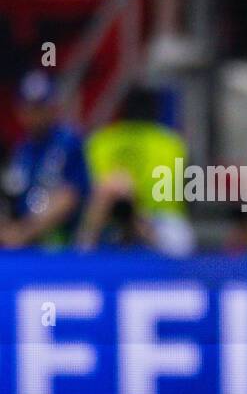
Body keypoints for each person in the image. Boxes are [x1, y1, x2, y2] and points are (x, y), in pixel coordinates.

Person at [78, 87, 195, 256]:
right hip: (164, 224)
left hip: (109, 223)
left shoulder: (99, 141)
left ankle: (83, 254)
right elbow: (190, 192)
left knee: (113, 186)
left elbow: (85, 188)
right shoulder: (173, 143)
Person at [0, 71, 89, 249]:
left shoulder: (69, 142)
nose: (33, 114)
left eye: (40, 107)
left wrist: (24, 233)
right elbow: (12, 193)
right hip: (22, 240)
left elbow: (70, 197)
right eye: (28, 107)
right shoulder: (21, 148)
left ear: (53, 107)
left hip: (61, 241)